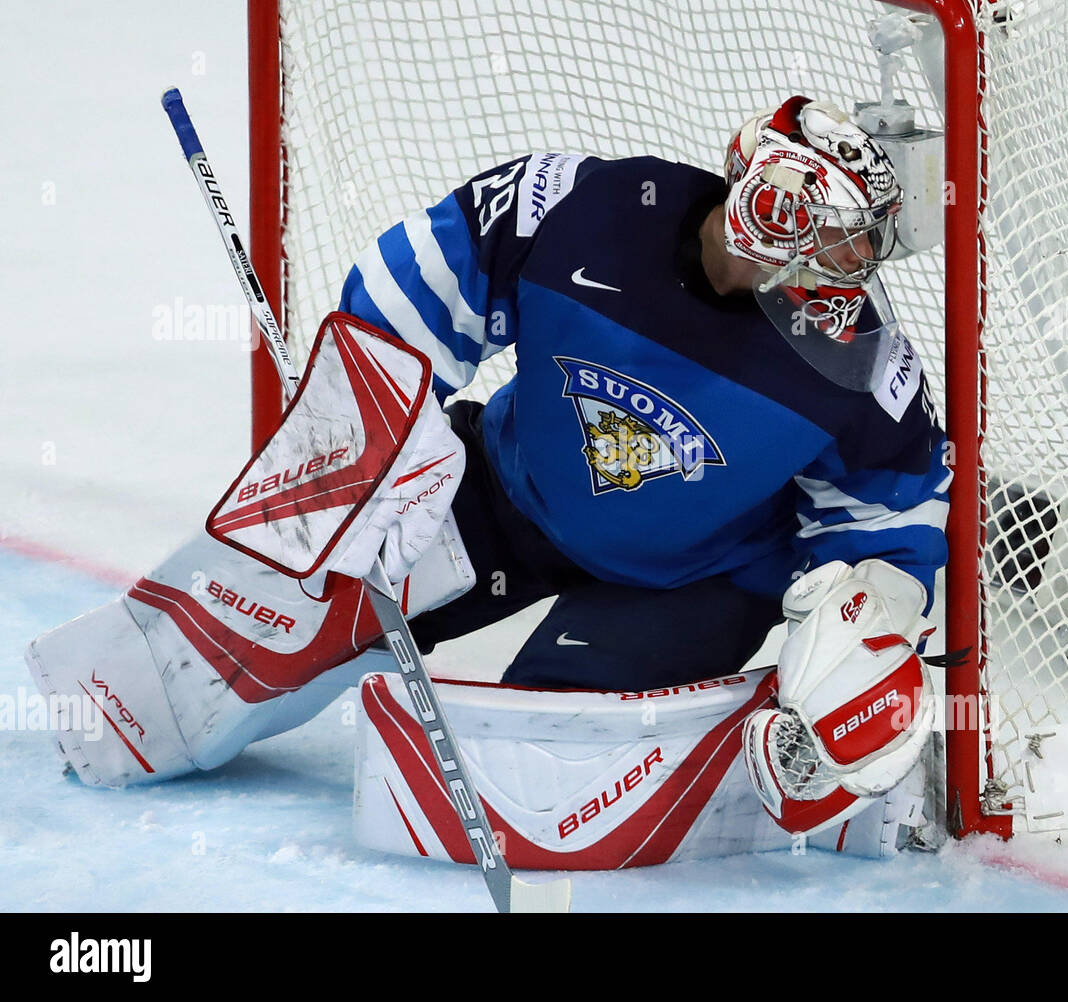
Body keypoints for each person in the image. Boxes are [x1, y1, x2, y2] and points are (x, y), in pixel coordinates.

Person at [27, 96, 950, 857]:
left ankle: (751, 776)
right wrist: (379, 447)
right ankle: (112, 710)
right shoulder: (581, 207)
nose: (831, 266)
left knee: (546, 762)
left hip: (695, 578)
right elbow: (415, 286)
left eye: (851, 248)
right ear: (756, 190)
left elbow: (892, 515)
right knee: (275, 606)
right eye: (812, 228)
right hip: (508, 491)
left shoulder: (861, 361)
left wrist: (868, 606)